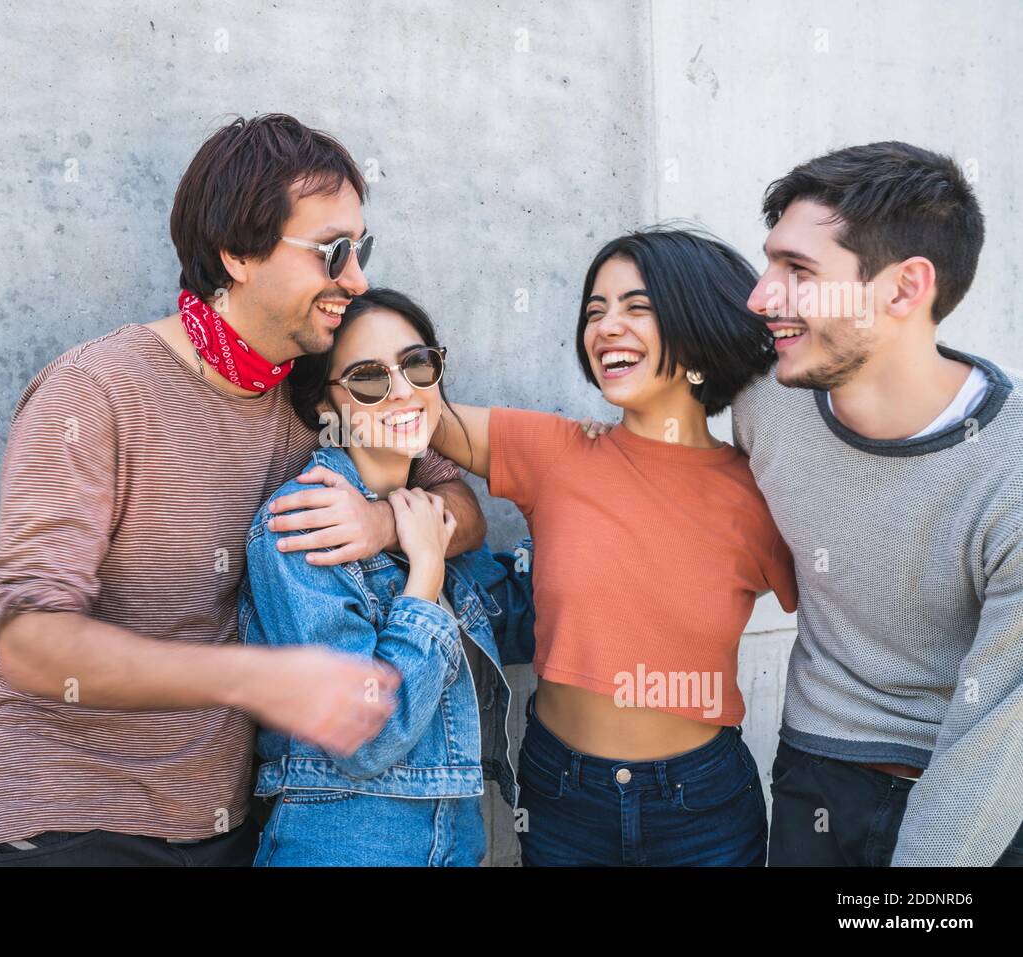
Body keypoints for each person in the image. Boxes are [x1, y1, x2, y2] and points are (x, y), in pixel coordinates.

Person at [0, 114, 488, 867]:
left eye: (361, 251)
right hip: (63, 825)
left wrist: (380, 524)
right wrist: (259, 676)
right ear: (237, 253)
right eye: (334, 252)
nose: (357, 280)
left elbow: (459, 507)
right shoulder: (94, 391)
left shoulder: (316, 397)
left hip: (227, 827)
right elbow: (30, 640)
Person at [430, 227, 797, 866]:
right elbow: (406, 413)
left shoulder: (762, 492)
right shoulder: (556, 450)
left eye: (636, 307)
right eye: (595, 311)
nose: (606, 327)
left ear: (695, 322)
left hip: (702, 809)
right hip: (560, 796)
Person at [729, 142, 1023, 866]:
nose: (760, 297)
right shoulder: (764, 404)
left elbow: (998, 730)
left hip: (986, 787)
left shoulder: (1010, 466)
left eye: (798, 271)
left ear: (902, 289)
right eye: (770, 264)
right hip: (815, 775)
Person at [241, 288, 536, 866]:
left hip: (453, 845)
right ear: (327, 408)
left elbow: (519, 613)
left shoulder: (421, 516)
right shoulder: (300, 527)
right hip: (341, 846)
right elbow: (367, 735)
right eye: (369, 379)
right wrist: (424, 572)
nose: (404, 390)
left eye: (418, 364)